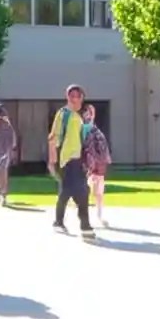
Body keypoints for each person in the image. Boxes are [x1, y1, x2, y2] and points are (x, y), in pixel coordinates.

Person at [49, 85, 96, 240]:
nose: (76, 98)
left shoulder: (77, 116)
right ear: (68, 97)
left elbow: (82, 138)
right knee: (80, 192)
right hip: (67, 159)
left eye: (79, 96)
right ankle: (85, 226)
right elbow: (53, 137)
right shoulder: (63, 114)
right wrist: (52, 160)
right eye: (73, 95)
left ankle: (59, 221)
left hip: (77, 159)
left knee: (68, 192)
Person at [81, 104, 113, 227]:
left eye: (91, 112)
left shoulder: (95, 129)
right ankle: (84, 218)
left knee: (99, 193)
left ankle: (99, 216)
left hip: (99, 167)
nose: (90, 114)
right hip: (89, 167)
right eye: (87, 112)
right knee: (86, 192)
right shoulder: (84, 128)